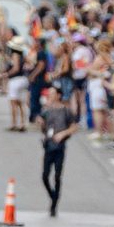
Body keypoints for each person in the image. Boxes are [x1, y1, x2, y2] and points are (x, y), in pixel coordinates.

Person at [39, 87, 75, 217]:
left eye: (53, 94)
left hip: (59, 147)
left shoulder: (66, 111)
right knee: (44, 175)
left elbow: (73, 126)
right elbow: (42, 126)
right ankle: (52, 195)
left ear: (59, 95)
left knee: (57, 176)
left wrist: (63, 134)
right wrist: (41, 123)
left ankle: (54, 204)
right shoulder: (46, 110)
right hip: (48, 145)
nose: (50, 96)